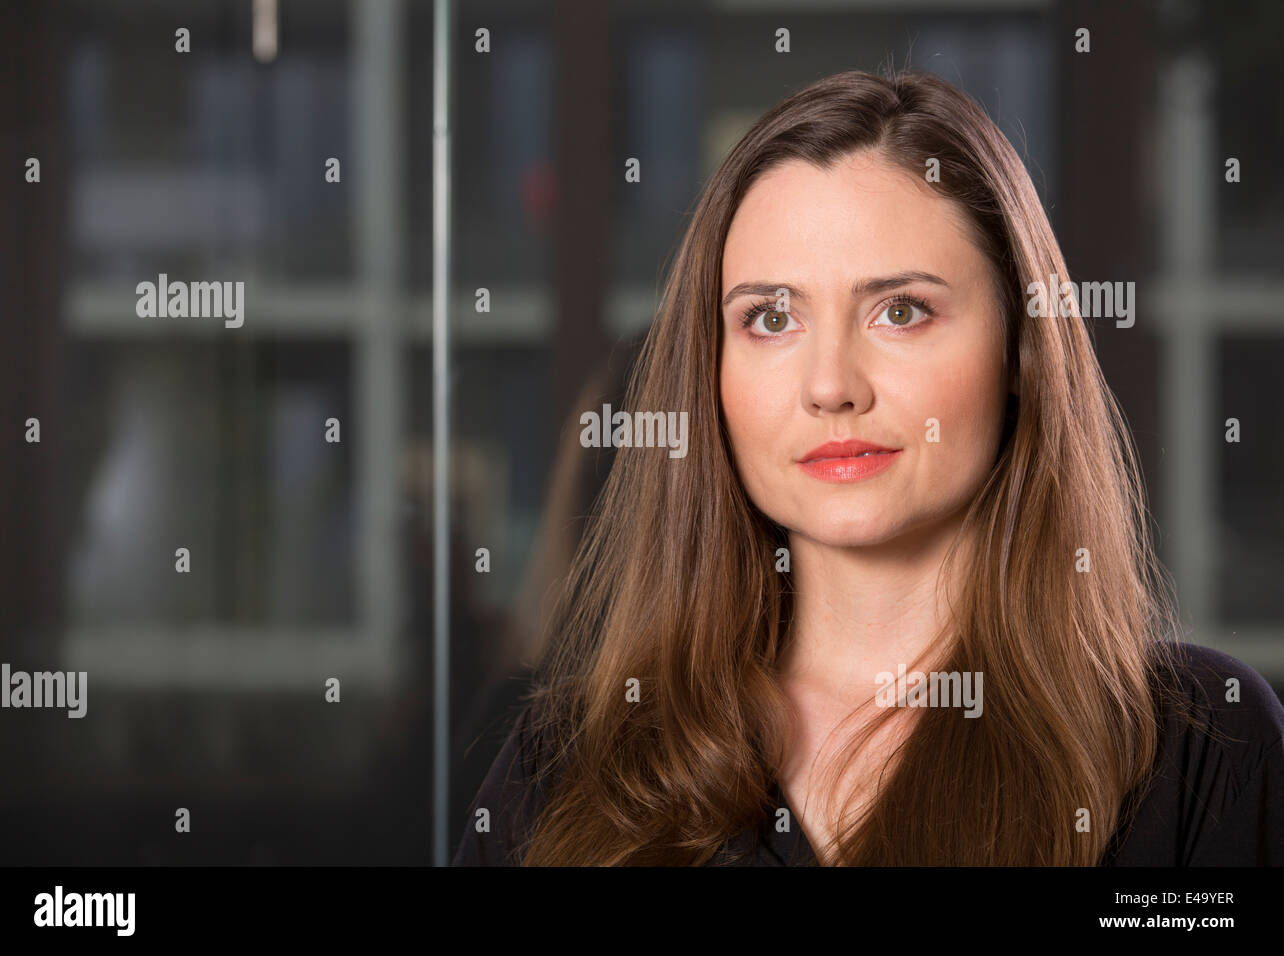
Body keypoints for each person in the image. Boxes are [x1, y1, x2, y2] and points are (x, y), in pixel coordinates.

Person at [454, 68, 1284, 866]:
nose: (830, 386)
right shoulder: (564, 763)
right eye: (770, 318)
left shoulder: (1202, 751)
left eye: (901, 310)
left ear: (1020, 351)